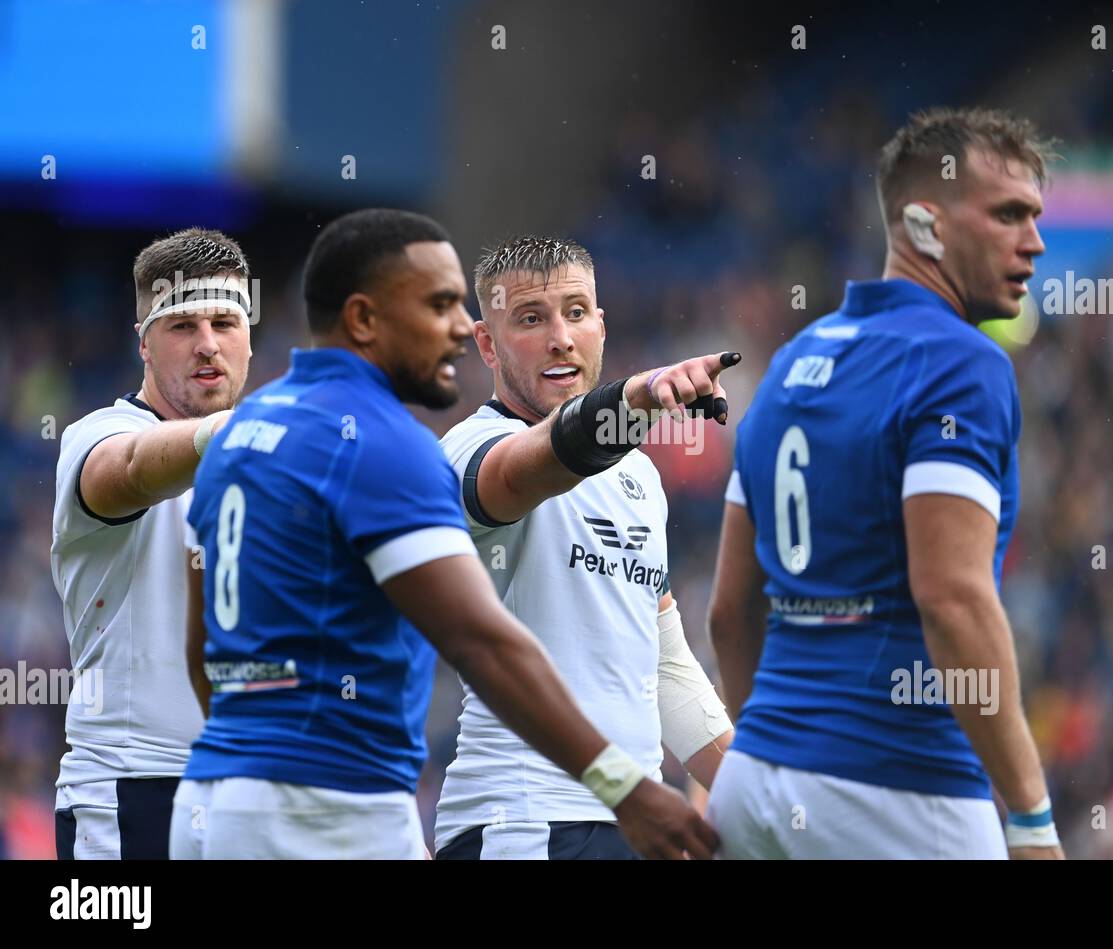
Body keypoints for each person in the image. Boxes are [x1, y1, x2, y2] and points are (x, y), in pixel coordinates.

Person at [170, 209, 717, 860]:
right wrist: (622, 785)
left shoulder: (245, 433)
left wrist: (747, 788)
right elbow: (483, 631)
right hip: (480, 817)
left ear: (603, 323)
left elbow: (203, 650)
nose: (456, 329)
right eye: (439, 306)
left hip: (232, 797)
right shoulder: (420, 447)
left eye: (577, 312)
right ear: (367, 319)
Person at [706, 107, 1065, 859]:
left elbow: (729, 614)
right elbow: (953, 598)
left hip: (755, 787)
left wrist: (775, 750)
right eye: (1007, 215)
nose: (1033, 241)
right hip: (901, 794)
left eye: (1034, 216)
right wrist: (1031, 818)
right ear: (924, 224)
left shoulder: (786, 366)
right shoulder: (961, 364)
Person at [434, 235, 738, 859]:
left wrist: (765, 800)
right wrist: (638, 401)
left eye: (576, 313)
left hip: (633, 821)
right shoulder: (468, 449)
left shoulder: (639, 477)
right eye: (530, 318)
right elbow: (530, 470)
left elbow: (666, 667)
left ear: (601, 324)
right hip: (520, 823)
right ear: (486, 344)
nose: (560, 338)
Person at [50, 228, 253, 858]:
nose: (208, 344)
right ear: (144, 341)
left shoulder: (268, 457)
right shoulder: (99, 435)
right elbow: (131, 471)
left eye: (225, 321)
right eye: (182, 326)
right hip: (133, 793)